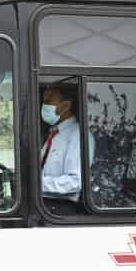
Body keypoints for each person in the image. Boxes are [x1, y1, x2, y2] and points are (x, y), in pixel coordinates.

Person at [40, 84, 82, 212]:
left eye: (48, 101)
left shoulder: (77, 134)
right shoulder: (54, 133)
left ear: (66, 105)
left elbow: (75, 182)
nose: (44, 106)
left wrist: (38, 184)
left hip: (61, 209)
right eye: (43, 101)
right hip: (44, 204)